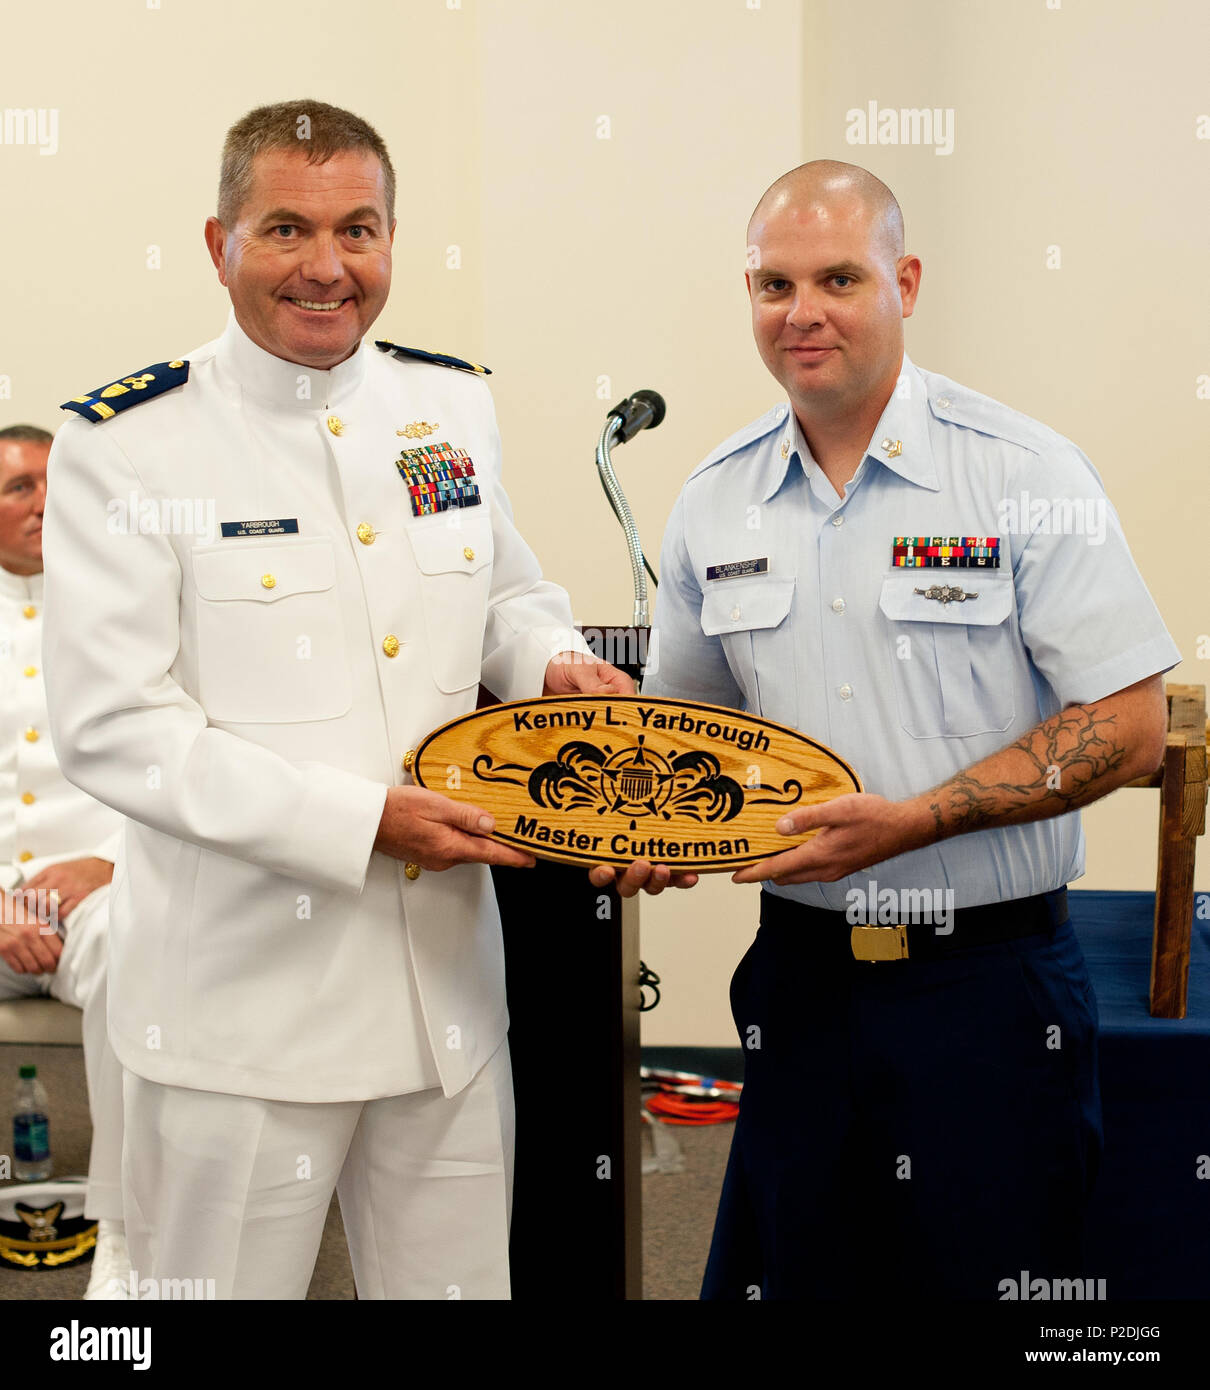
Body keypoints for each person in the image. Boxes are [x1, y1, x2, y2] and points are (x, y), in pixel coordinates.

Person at [39, 99, 638, 1301]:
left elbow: (506, 591)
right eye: (285, 231)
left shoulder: (448, 405)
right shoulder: (127, 445)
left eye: (358, 229)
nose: (327, 267)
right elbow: (115, 727)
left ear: (392, 237)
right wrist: (366, 821)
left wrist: (552, 663)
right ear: (219, 246)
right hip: (233, 1022)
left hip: (445, 1008)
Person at [635, 160, 1180, 1299]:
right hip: (801, 982)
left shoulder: (1021, 474)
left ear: (906, 281)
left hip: (986, 991)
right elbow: (692, 735)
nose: (803, 313)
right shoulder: (714, 498)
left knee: (996, 1283)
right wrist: (650, 822)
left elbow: (1127, 728)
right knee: (795, 1275)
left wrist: (911, 823)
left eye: (838, 277)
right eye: (772, 285)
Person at [0, 424, 130, 1299]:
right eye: (17, 488)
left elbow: (181, 761)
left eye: (54, 482)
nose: (41, 501)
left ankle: (130, 1245)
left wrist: (109, 867)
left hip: (95, 892)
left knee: (149, 960)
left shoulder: (132, 605)